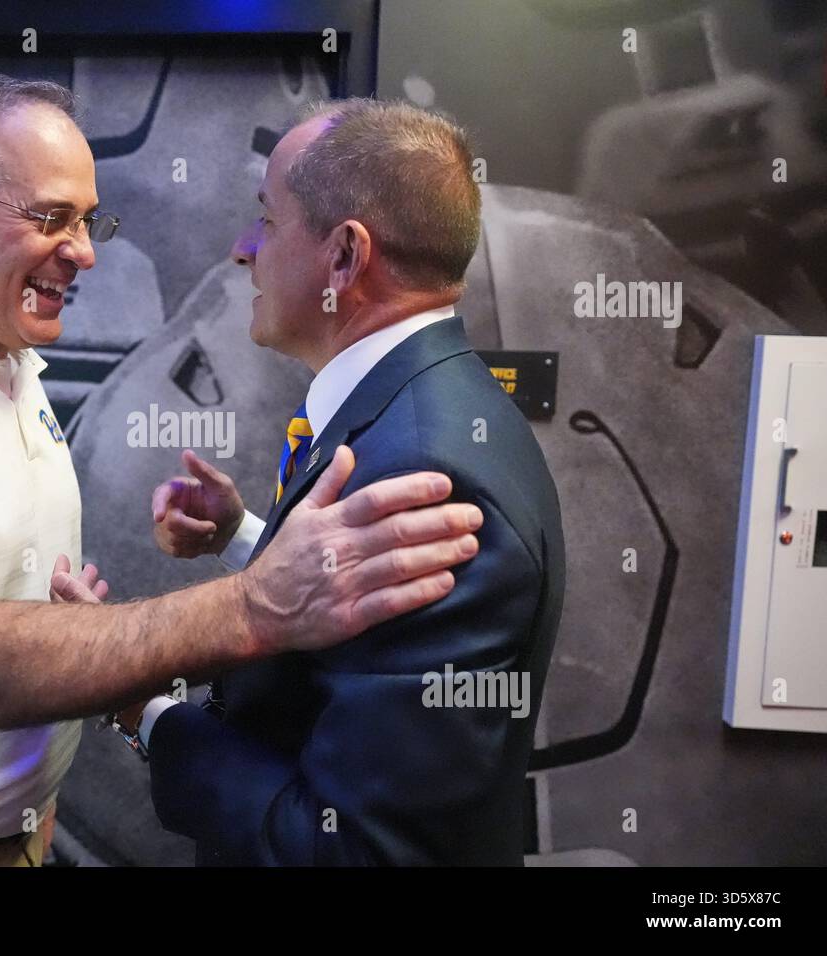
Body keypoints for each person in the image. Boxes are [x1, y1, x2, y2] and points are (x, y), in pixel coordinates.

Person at [0, 75, 482, 866]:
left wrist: (219, 552)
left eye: (88, 220)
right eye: (51, 218)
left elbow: (5, 616)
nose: (85, 251)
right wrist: (256, 605)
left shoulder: (5, 360)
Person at [109, 98, 566, 865]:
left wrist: (144, 712)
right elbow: (349, 636)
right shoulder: (414, 409)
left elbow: (350, 848)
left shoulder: (429, 479)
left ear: (346, 258)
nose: (242, 250)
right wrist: (243, 538)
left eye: (267, 219)